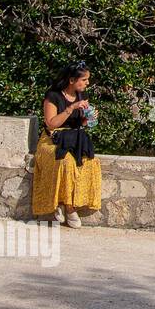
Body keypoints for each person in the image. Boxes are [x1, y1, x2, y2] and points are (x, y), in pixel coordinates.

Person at [32, 61, 102, 228]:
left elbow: (79, 124)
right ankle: (66, 207)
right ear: (72, 80)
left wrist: (88, 119)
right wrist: (71, 108)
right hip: (52, 139)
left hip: (72, 139)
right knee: (66, 163)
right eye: (84, 80)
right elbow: (51, 123)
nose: (87, 83)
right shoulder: (53, 96)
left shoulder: (82, 96)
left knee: (89, 162)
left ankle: (69, 203)